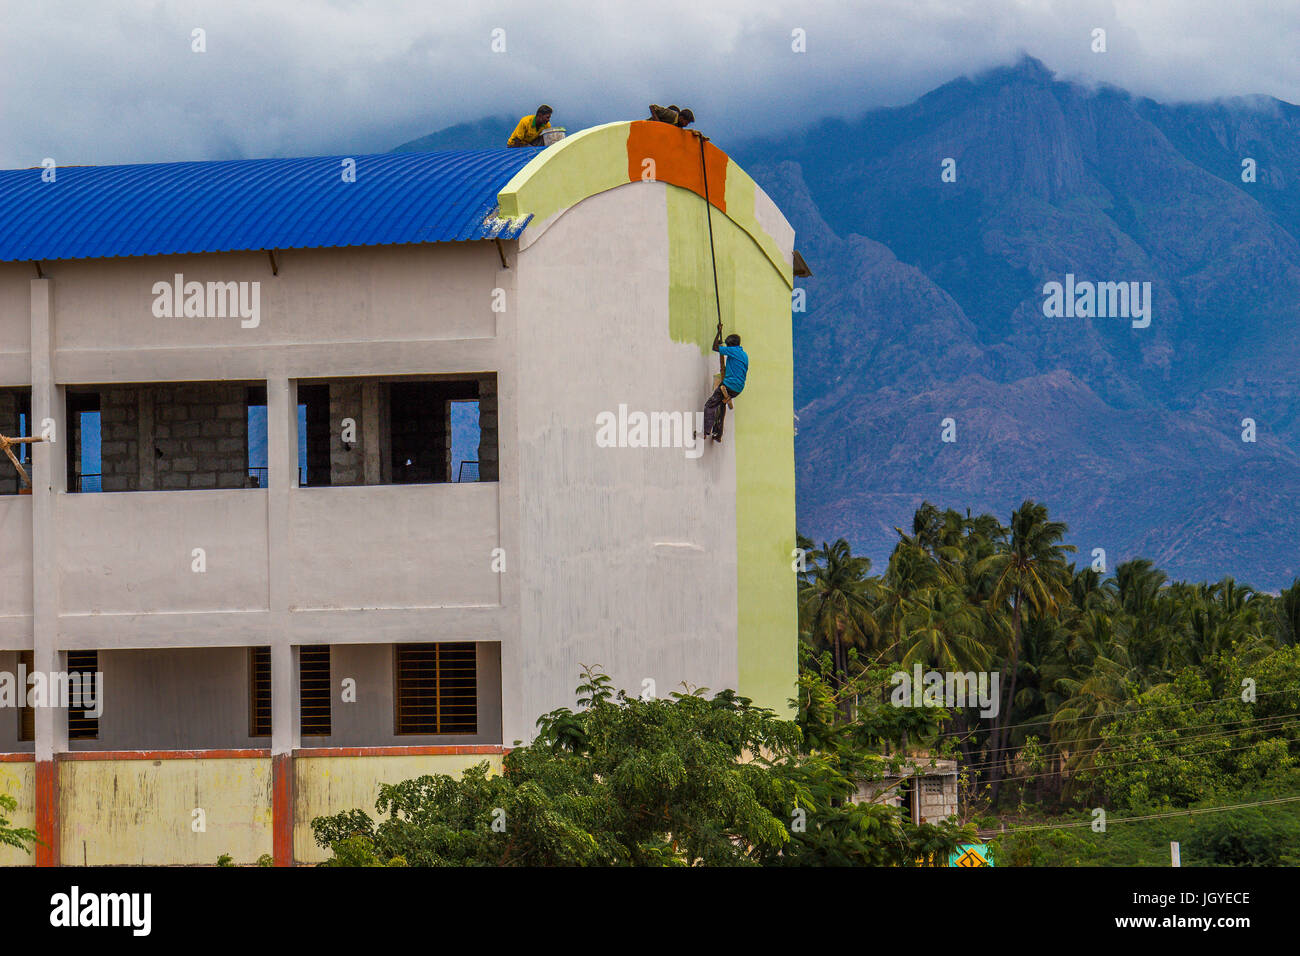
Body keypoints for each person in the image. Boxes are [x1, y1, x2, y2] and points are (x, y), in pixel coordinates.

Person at [702, 331, 747, 443]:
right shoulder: (744, 354)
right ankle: (718, 434)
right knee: (721, 406)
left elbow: (715, 347)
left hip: (729, 385)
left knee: (710, 405)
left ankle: (705, 432)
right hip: (738, 388)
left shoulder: (733, 350)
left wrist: (717, 332)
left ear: (731, 345)